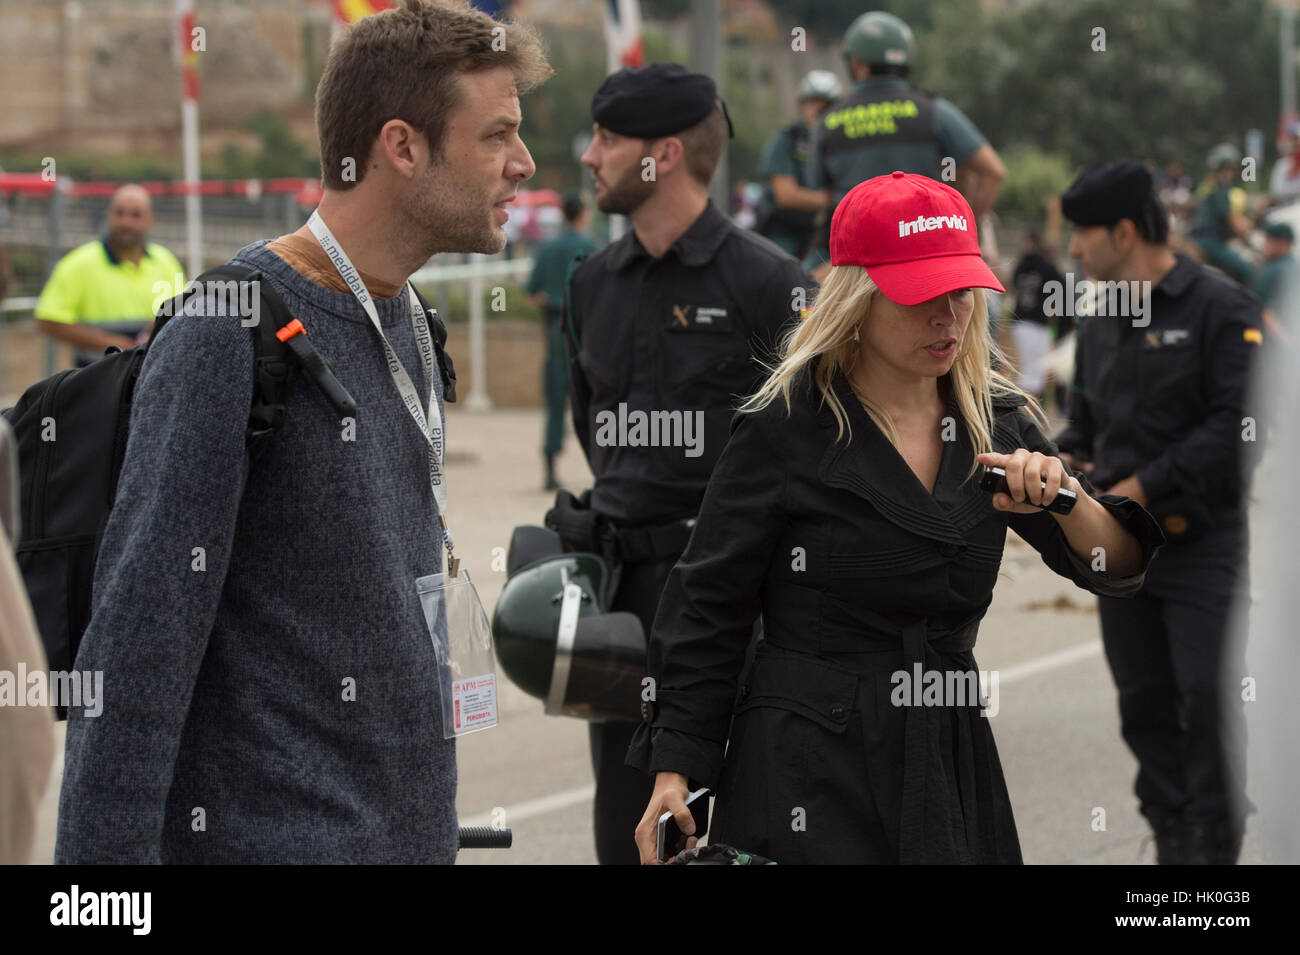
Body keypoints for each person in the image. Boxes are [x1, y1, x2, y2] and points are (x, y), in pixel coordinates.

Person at [55, 0, 551, 864]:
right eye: (497, 135)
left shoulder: (412, 322)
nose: (524, 162)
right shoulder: (230, 328)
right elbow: (139, 642)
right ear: (403, 147)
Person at [629, 171, 1164, 865]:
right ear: (858, 297)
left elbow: (1117, 564)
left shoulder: (995, 419)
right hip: (806, 764)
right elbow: (708, 604)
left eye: (962, 292)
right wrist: (676, 767)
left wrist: (1066, 498)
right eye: (920, 296)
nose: (947, 316)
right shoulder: (789, 424)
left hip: (945, 751)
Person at [560, 62, 814, 865]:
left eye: (608, 139)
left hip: (730, 596)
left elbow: (812, 446)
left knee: (723, 820)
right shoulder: (591, 282)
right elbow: (592, 425)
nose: (590, 156)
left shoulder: (769, 283)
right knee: (622, 827)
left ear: (663, 154)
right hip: (621, 596)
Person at [1054, 161, 1262, 865]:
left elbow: (1237, 428)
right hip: (1121, 550)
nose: (1073, 251)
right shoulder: (1100, 318)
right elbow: (1084, 423)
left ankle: (1213, 849)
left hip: (1199, 543)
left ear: (1123, 230)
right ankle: (1175, 841)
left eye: (1082, 235)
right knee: (1143, 702)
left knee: (1204, 696)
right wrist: (1064, 466)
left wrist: (1140, 486)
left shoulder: (1221, 307)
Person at [804, 10, 1005, 280]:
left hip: (850, 262)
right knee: (982, 313)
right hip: (923, 251)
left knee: (797, 298)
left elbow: (824, 197)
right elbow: (994, 172)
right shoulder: (935, 112)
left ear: (858, 65)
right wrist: (961, 228)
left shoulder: (828, 122)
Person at [34, 185, 186, 367]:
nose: (126, 222)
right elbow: (49, 320)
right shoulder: (78, 263)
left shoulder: (166, 262)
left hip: (150, 379)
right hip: (96, 380)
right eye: (119, 213)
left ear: (151, 220)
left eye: (135, 215)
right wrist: (113, 343)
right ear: (108, 216)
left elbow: (181, 315)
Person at [526, 191, 597, 489]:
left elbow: (532, 291)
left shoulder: (548, 247)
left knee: (555, 398)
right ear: (582, 214)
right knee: (596, 399)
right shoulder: (589, 246)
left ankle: (550, 468)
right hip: (586, 330)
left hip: (555, 325)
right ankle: (603, 466)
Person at [753, 69, 842, 258]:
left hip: (827, 232)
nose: (819, 109)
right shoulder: (786, 140)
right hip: (786, 232)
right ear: (801, 105)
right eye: (813, 102)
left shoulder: (841, 141)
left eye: (827, 104)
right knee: (783, 274)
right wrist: (831, 200)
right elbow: (785, 195)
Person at [1007, 228, 1068, 404]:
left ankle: (1027, 414)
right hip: (1036, 324)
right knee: (1033, 377)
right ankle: (1028, 416)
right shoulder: (1046, 266)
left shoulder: (1021, 265)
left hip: (1020, 323)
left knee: (1027, 373)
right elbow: (1062, 287)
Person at [1191, 143, 1255, 286]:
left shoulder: (1208, 185)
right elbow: (1234, 222)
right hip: (1211, 241)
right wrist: (1251, 225)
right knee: (1247, 270)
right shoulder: (1221, 188)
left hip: (1201, 238)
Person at [1253, 220, 1297, 343]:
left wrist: (1286, 342)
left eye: (1268, 240)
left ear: (1283, 244)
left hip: (1275, 342)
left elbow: (1265, 313)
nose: (1264, 245)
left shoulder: (1269, 270)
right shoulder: (1294, 266)